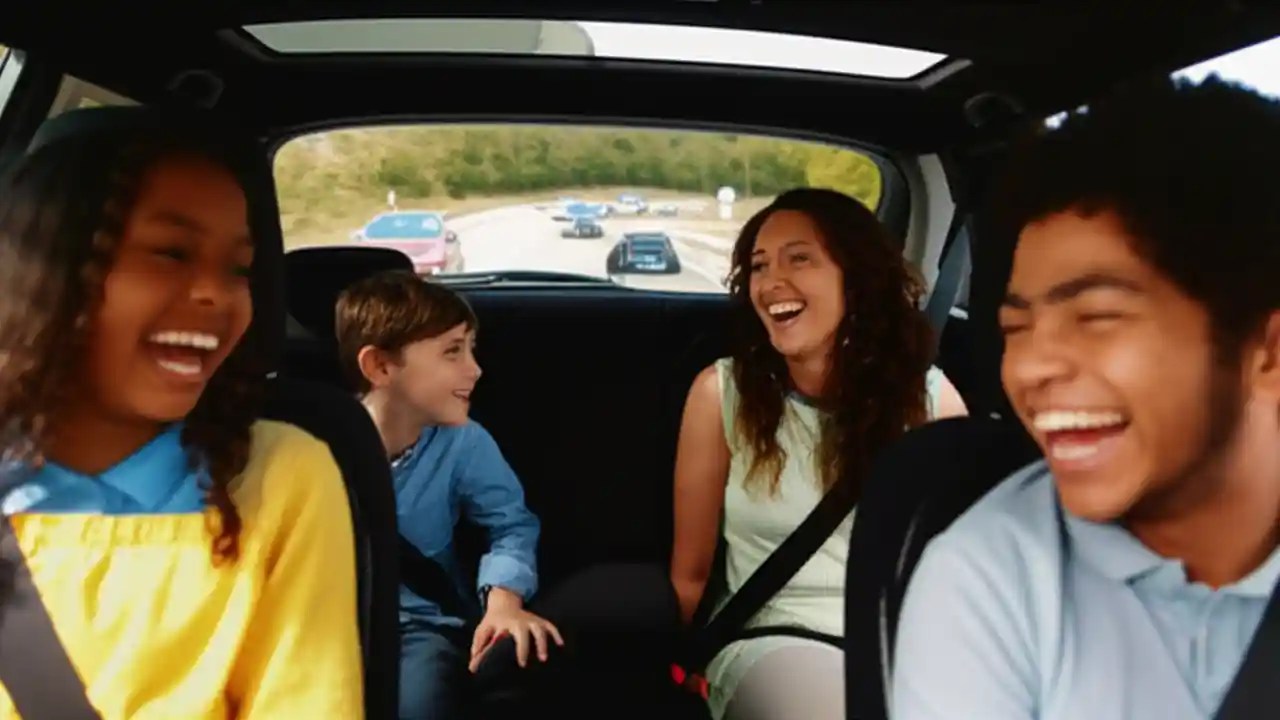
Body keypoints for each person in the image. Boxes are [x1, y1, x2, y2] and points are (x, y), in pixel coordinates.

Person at [891, 76, 1280, 720]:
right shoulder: (992, 573)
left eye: (1097, 317)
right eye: (1015, 329)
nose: (1032, 366)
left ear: (1265, 351)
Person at [0, 117, 363, 717]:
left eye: (239, 270)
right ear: (49, 271)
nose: (216, 294)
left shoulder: (276, 478)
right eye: (170, 253)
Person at [670, 187, 968, 720]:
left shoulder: (929, 401)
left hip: (901, 648)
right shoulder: (721, 395)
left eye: (799, 258)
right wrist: (673, 670)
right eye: (758, 266)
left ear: (856, 276)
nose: (771, 282)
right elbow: (689, 577)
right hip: (776, 639)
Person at [334, 270, 563, 720]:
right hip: (322, 622)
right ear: (381, 367)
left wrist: (503, 601)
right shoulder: (315, 448)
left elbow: (510, 523)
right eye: (452, 352)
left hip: (418, 627)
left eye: (470, 349)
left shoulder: (463, 442)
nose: (474, 369)